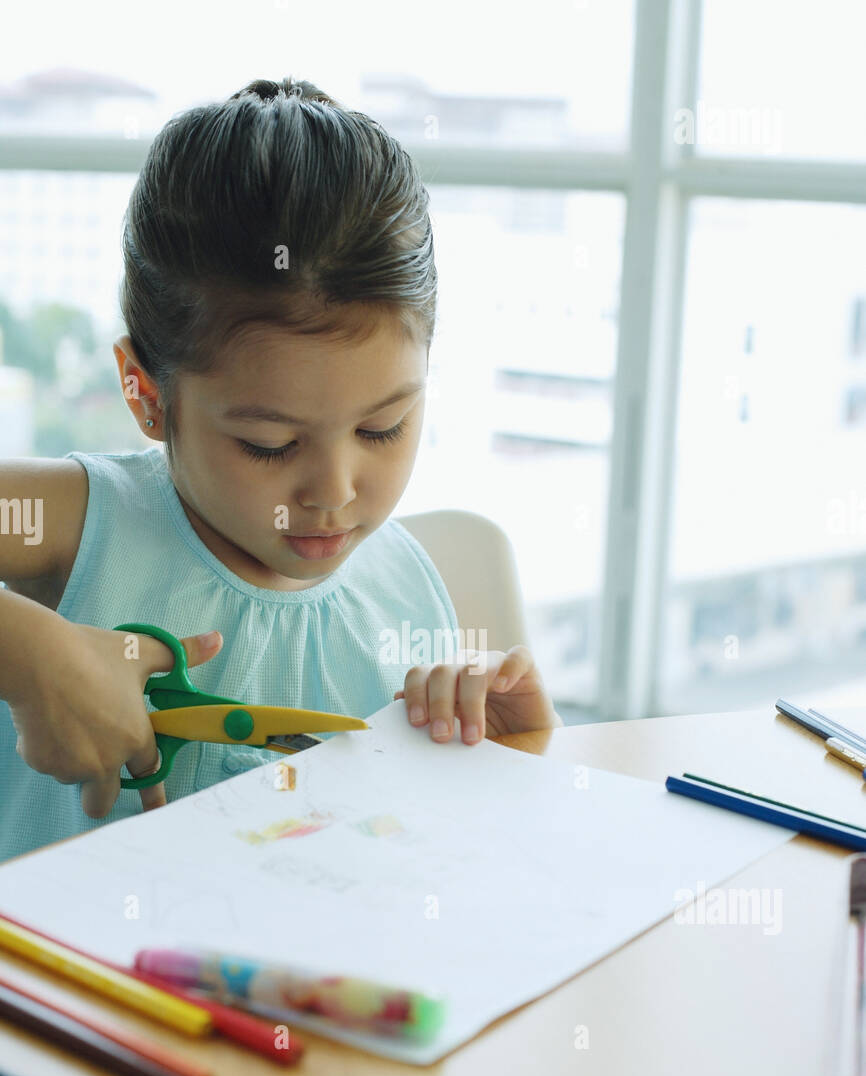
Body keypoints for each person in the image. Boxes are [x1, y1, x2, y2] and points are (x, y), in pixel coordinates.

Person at [0, 76, 560, 864]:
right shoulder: (84, 521)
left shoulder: (410, 596)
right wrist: (24, 651)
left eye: (383, 427)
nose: (333, 492)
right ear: (146, 394)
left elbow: (466, 875)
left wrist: (516, 756)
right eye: (269, 444)